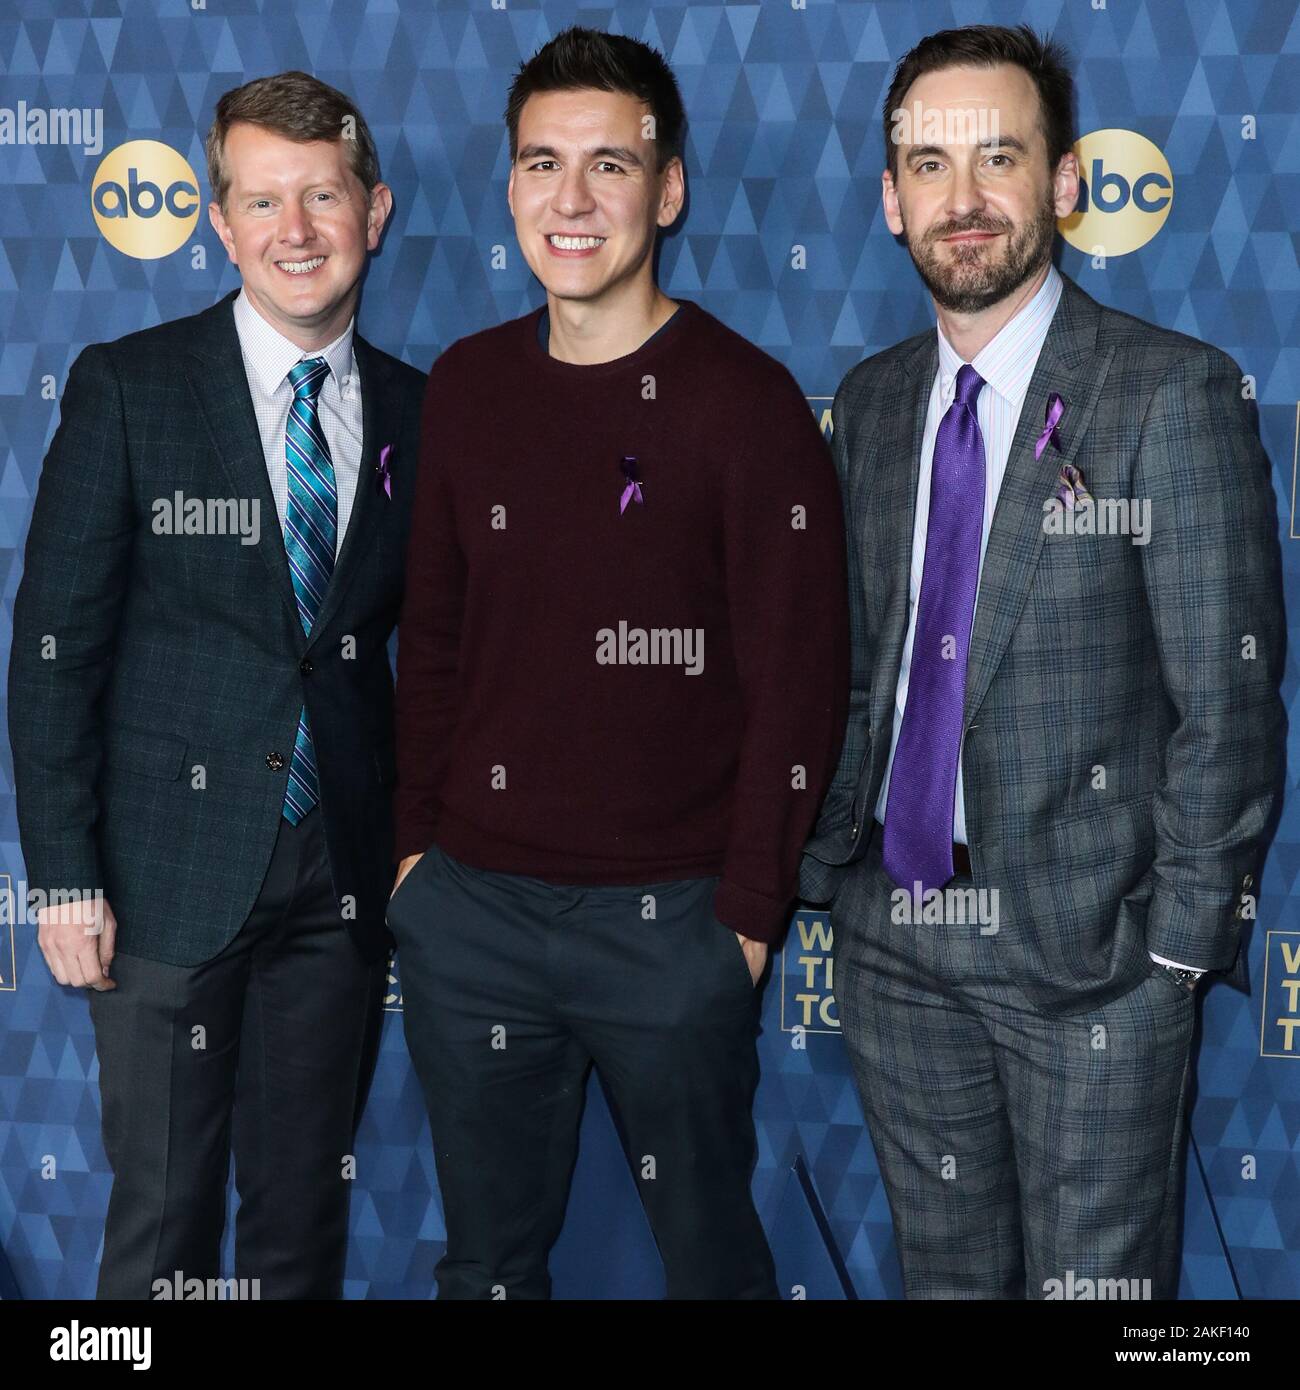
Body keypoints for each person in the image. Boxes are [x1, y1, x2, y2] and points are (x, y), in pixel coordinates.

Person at [800, 23, 1285, 1299]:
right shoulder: (871, 400)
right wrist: (829, 871)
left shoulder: (1169, 393)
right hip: (899, 943)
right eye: (928, 166)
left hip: (1094, 968)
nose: (962, 201)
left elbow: (1225, 697)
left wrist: (1175, 953)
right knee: (945, 1283)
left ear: (1063, 183)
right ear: (889, 197)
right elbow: (859, 669)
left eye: (998, 158)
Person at [388, 26, 849, 1299]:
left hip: (672, 924)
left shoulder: (744, 405)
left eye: (609, 164)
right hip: (468, 912)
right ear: (509, 184)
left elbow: (799, 684)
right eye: (542, 163)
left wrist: (748, 921)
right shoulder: (469, 386)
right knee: (485, 1265)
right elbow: (430, 645)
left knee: (709, 1263)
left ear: (670, 188)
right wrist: (417, 863)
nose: (571, 201)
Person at [8, 70, 425, 1299]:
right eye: (260, 202)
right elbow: (53, 649)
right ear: (221, 223)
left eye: (321, 197)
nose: (293, 232)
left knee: (301, 1221)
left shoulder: (419, 411)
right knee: (158, 1230)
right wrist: (66, 874)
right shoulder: (130, 385)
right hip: (159, 880)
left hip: (337, 879)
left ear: (376, 211)